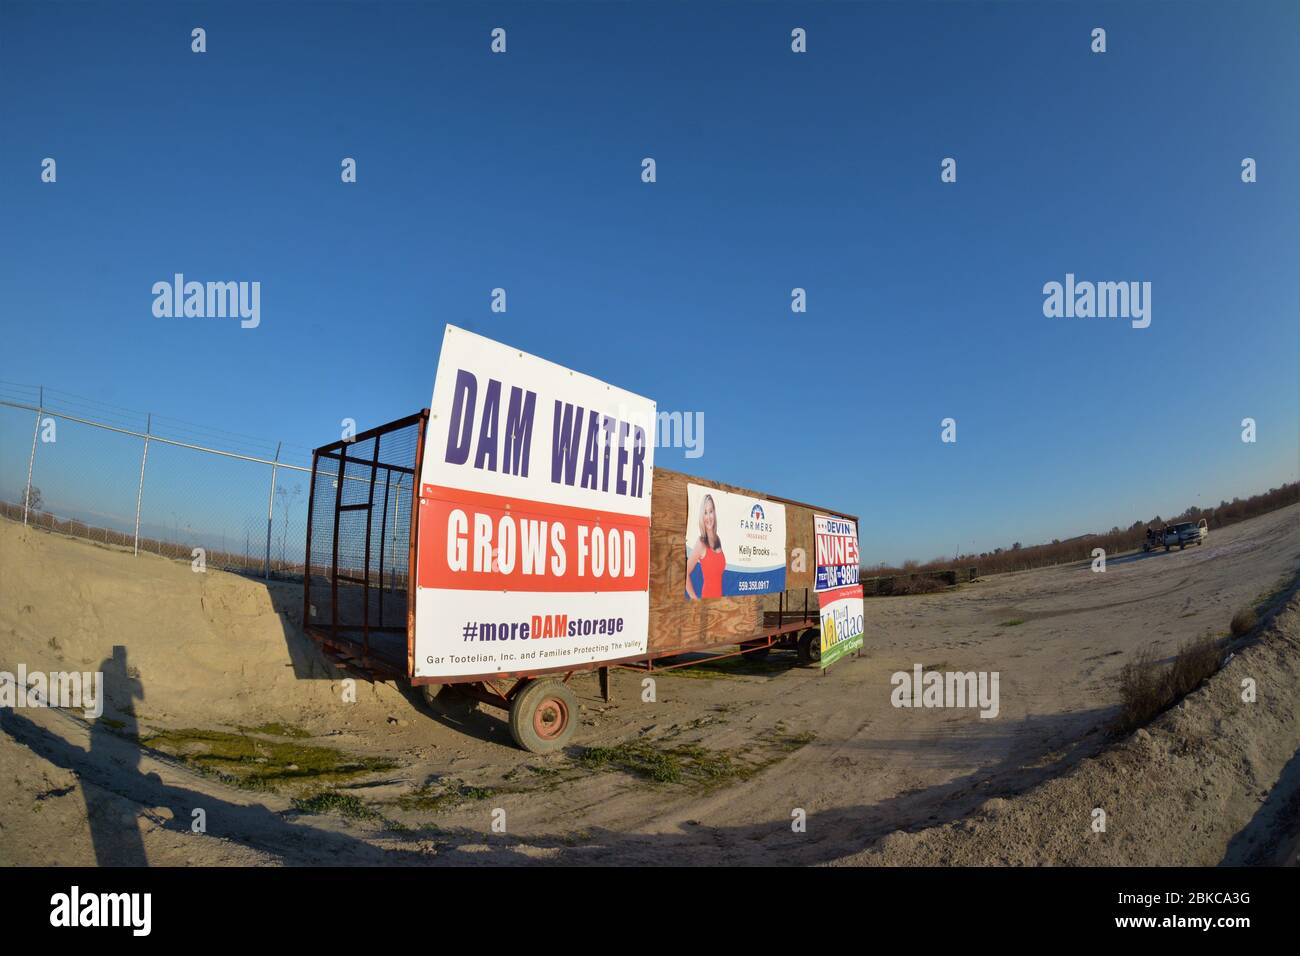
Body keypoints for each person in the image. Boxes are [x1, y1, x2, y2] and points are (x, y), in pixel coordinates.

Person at [685, 493, 725, 599]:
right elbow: (685, 573)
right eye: (705, 513)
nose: (708, 517)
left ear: (714, 513)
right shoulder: (701, 543)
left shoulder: (718, 539)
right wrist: (694, 599)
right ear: (702, 516)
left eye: (710, 511)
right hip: (707, 603)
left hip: (720, 601)